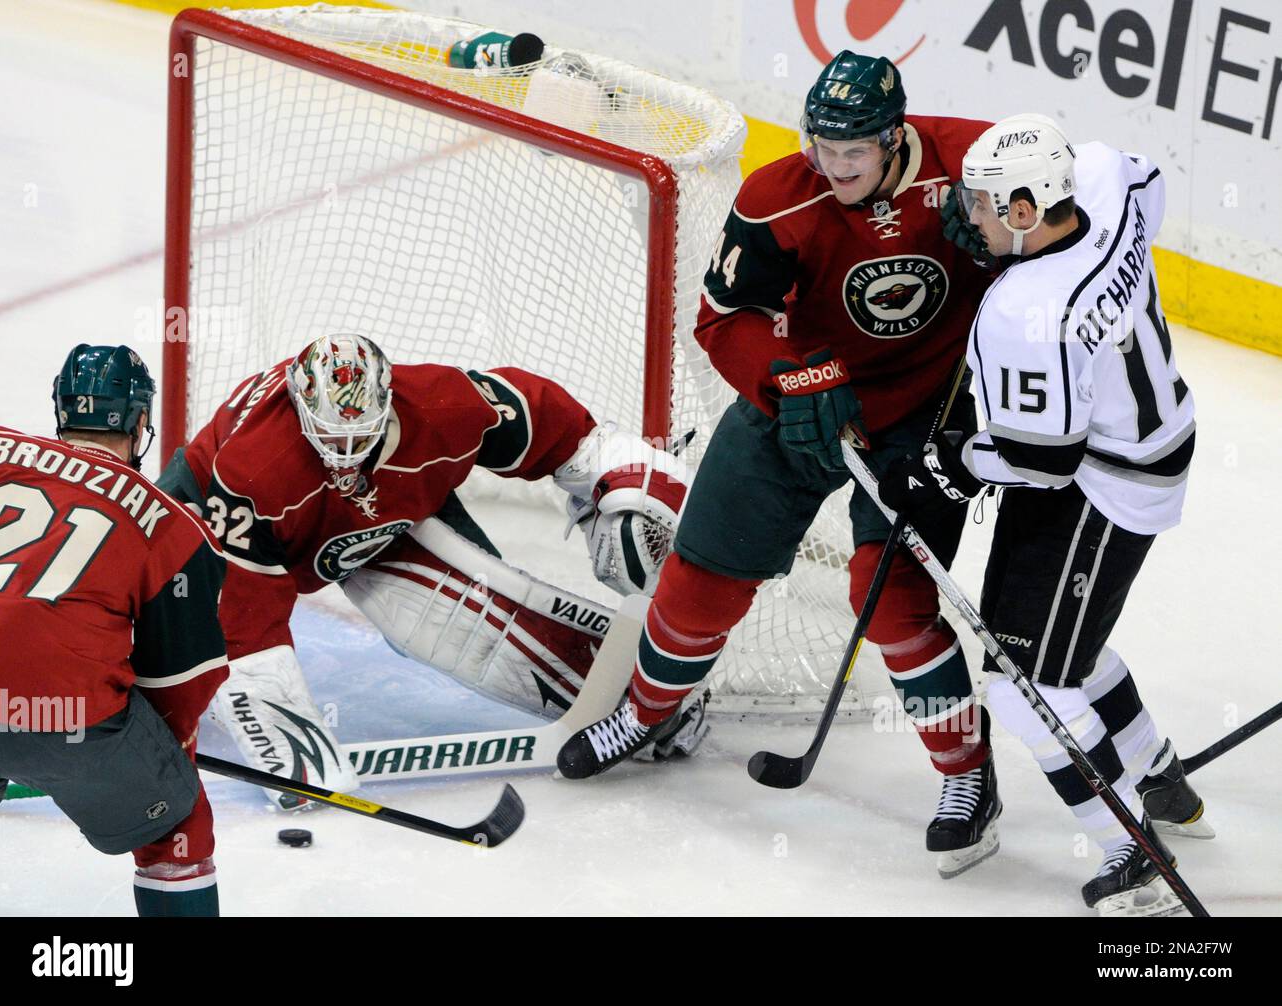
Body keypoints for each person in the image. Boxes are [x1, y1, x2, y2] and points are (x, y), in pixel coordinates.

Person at [558, 49, 1006, 877]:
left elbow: (1079, 204)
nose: (833, 168)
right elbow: (724, 317)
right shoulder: (777, 196)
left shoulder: (971, 162)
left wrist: (999, 241)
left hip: (924, 411)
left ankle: (968, 780)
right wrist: (788, 377)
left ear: (895, 137)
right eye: (821, 148)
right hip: (795, 401)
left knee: (893, 602)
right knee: (702, 578)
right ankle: (649, 712)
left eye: (854, 154)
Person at [878, 113, 1211, 916]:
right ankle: (1157, 776)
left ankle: (1133, 854)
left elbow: (1041, 462)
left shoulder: (1028, 312)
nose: (972, 218)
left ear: (1028, 212)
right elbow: (1149, 179)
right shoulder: (1101, 178)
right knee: (1057, 642)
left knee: (1028, 682)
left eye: (986, 207)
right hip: (1146, 438)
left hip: (1107, 484)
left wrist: (955, 464)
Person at [158, 334, 696, 807]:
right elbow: (247, 628)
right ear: (300, 409)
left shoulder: (446, 404)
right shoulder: (254, 472)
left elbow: (566, 436)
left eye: (359, 437)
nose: (346, 459)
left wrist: (621, 478)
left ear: (390, 404)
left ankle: (654, 696)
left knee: (482, 619)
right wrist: (291, 749)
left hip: (394, 508)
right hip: (214, 511)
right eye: (331, 438)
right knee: (158, 638)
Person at [0, 345, 228, 916]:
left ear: (62, 412)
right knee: (177, 825)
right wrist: (168, 754)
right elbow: (182, 681)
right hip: (61, 717)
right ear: (141, 422)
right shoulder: (169, 520)